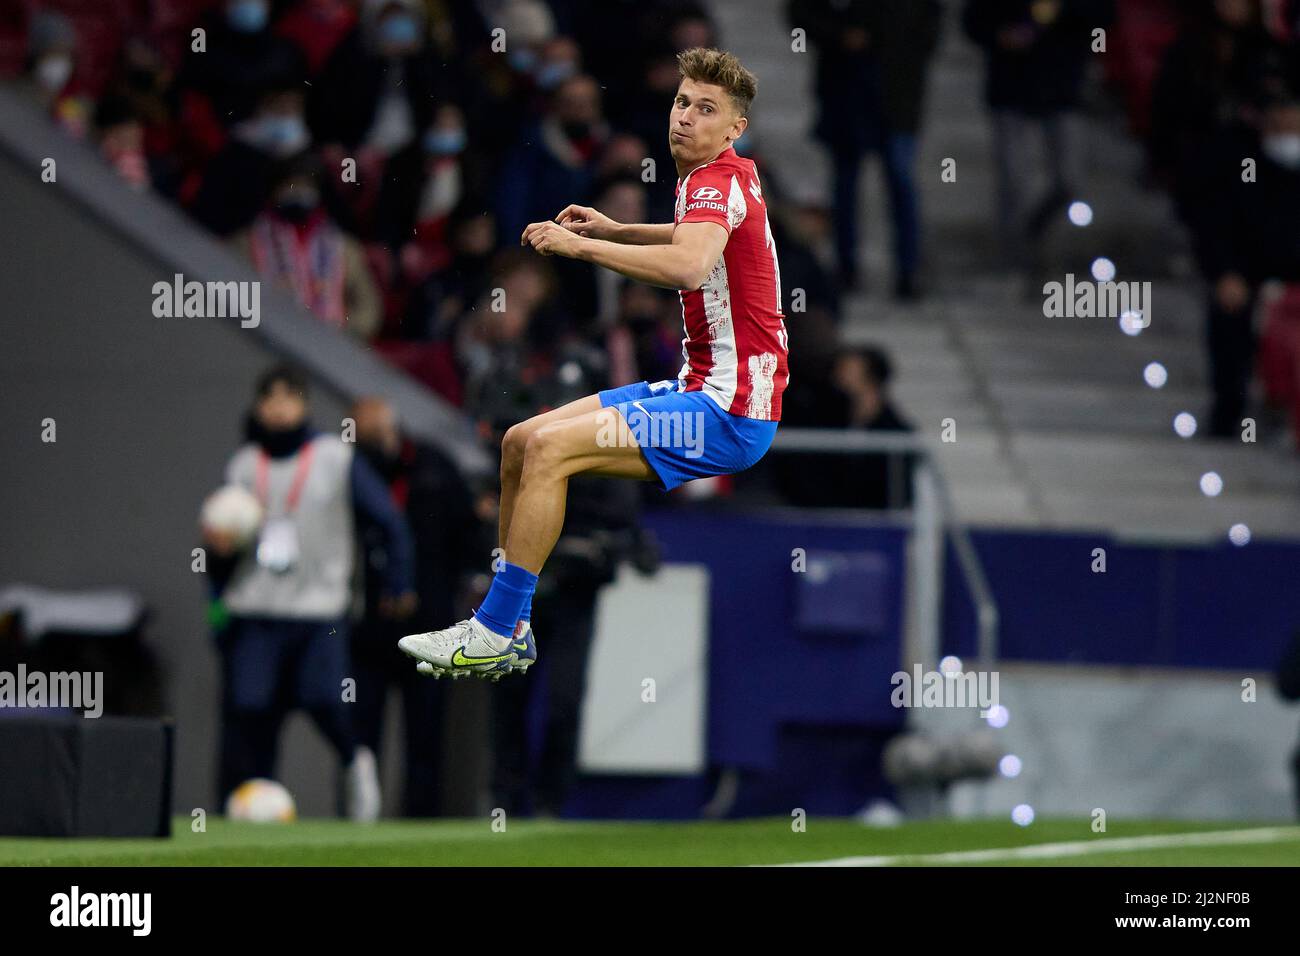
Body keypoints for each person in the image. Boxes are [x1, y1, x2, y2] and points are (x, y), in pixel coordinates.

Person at [398, 47, 788, 678]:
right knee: (522, 441)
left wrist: (583, 248)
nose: (685, 116)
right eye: (682, 101)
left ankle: (496, 629)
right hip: (701, 390)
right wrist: (615, 229)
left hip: (727, 414)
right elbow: (690, 238)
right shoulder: (724, 177)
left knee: (551, 453)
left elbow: (688, 265)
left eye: (705, 108)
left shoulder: (716, 181)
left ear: (734, 128)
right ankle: (509, 622)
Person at [204, 365, 415, 820]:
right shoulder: (243, 465)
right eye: (269, 398)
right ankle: (248, 804)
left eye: (288, 398)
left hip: (319, 609)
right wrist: (217, 578)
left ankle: (356, 762)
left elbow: (390, 520)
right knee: (250, 708)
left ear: (304, 404)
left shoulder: (335, 458)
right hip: (256, 608)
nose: (278, 408)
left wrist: (399, 582)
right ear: (257, 406)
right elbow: (218, 553)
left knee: (324, 698)